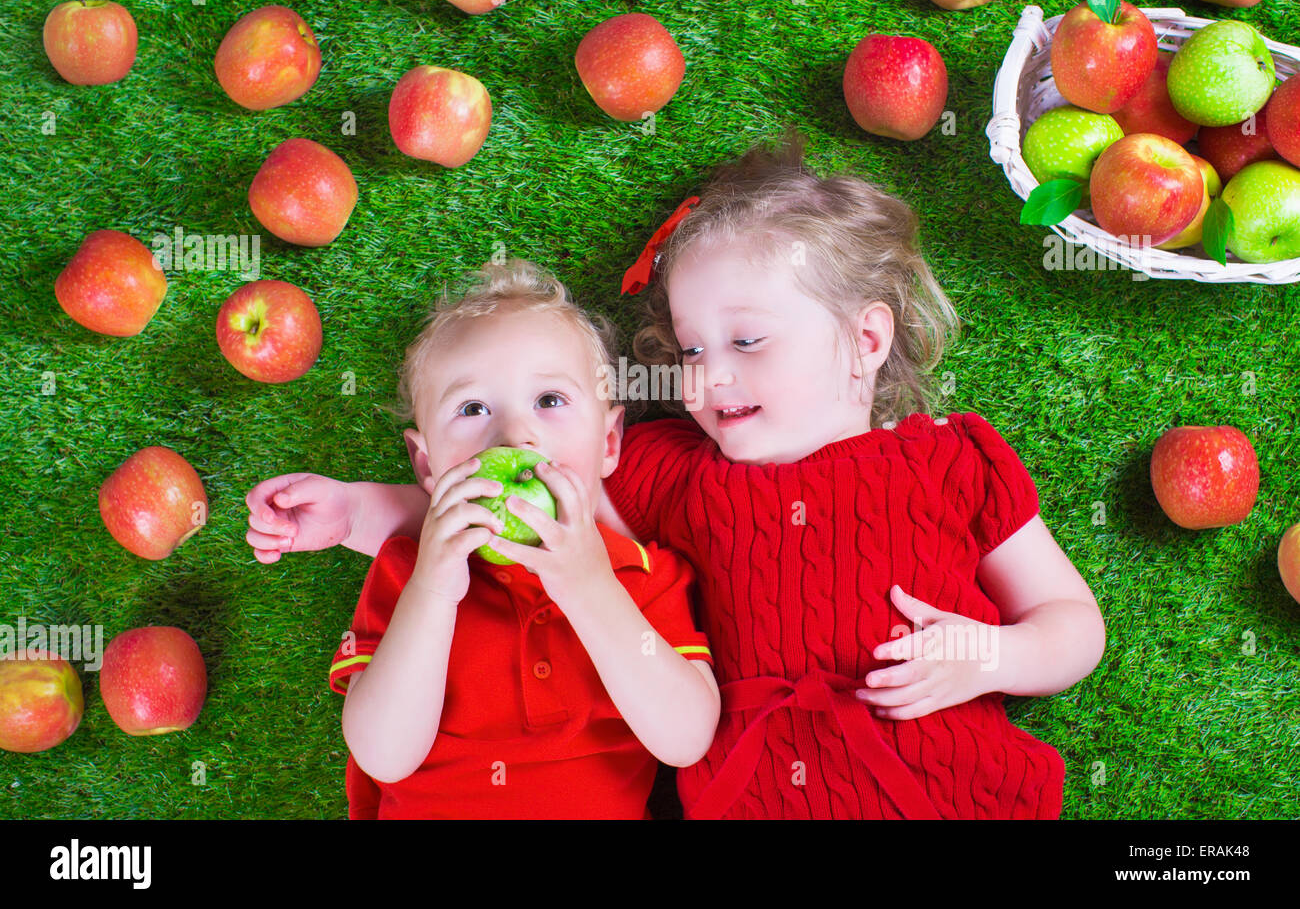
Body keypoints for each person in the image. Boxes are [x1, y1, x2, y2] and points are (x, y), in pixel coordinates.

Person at [247, 130, 1105, 819]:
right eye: (691, 349)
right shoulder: (675, 474)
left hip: (950, 787)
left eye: (746, 341)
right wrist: (356, 512)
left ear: (866, 340)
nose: (705, 376)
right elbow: (524, 495)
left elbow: (1073, 624)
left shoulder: (950, 461)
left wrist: (991, 655)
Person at [293, 259, 719, 818]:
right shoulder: (408, 570)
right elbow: (383, 757)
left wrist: (591, 589)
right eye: (472, 409)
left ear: (609, 444)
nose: (514, 436)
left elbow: (687, 740)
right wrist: (434, 593)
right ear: (427, 464)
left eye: (550, 401)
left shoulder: (643, 575)